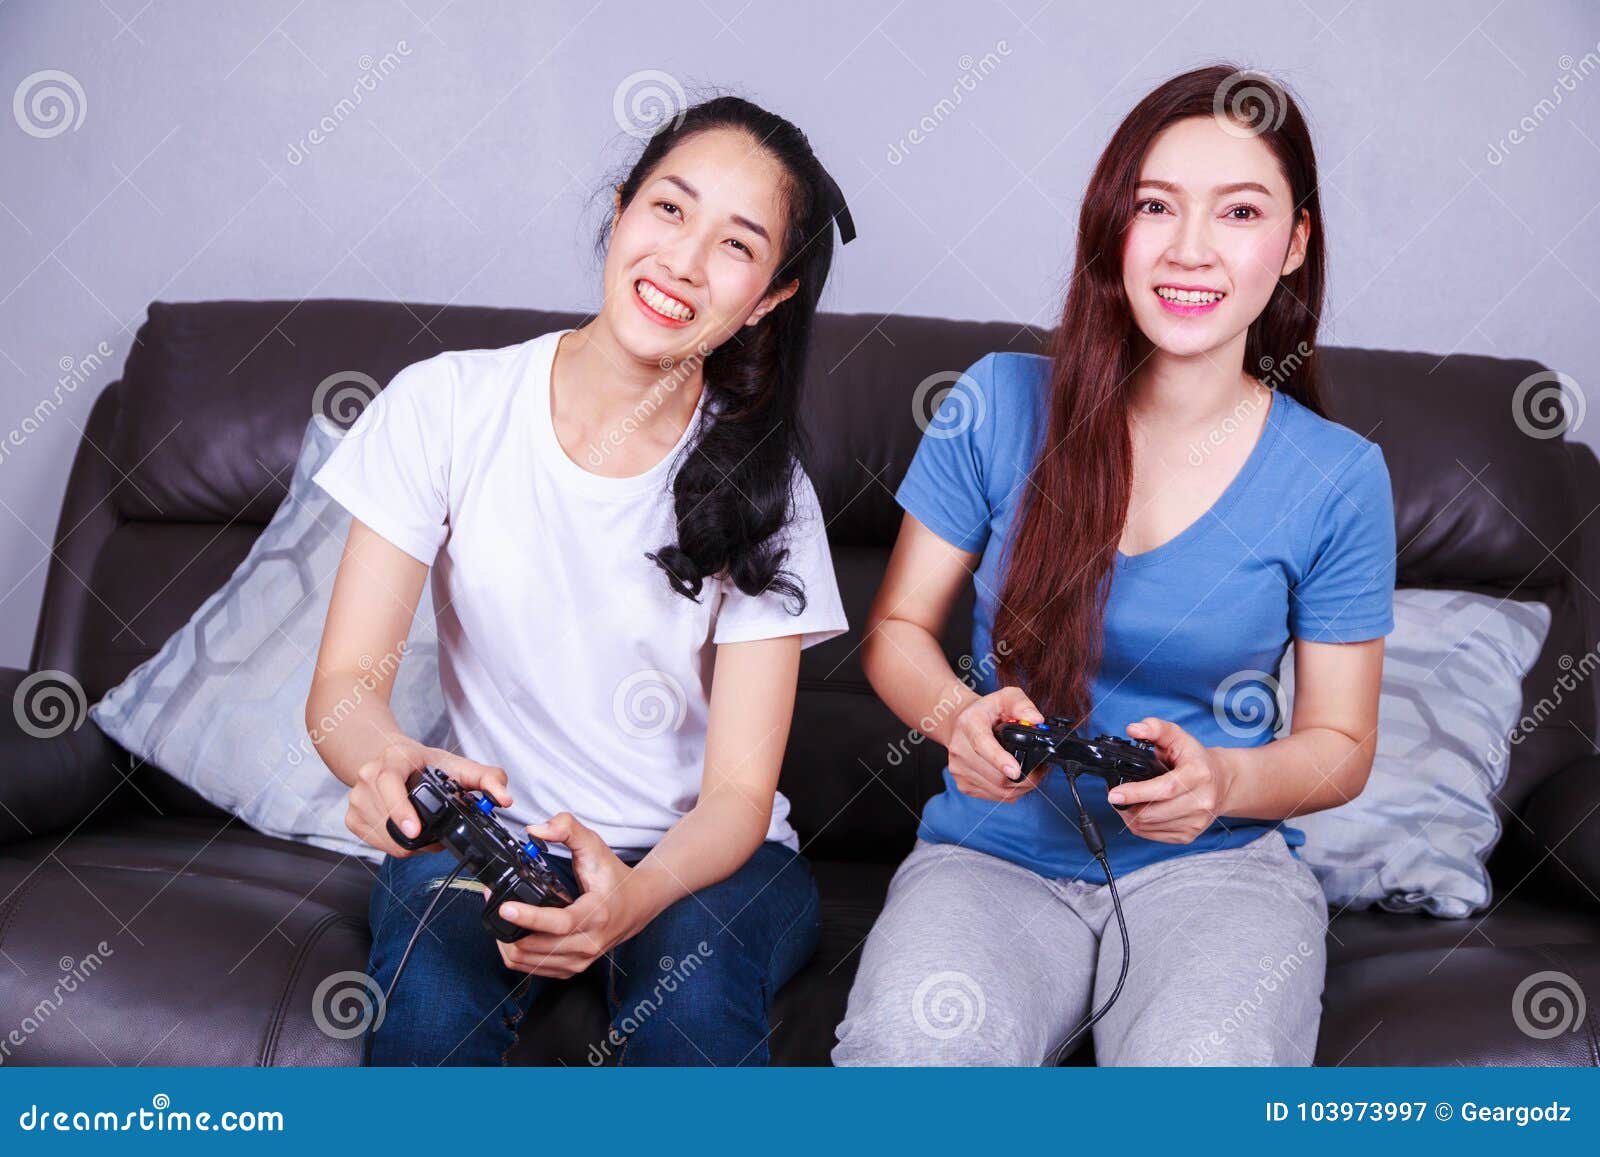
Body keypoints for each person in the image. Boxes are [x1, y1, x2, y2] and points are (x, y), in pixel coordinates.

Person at [833, 65, 1394, 1067]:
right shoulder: (996, 402)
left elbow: (1341, 744)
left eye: (1239, 211)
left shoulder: (1339, 476)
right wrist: (956, 717)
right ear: (1111, 227)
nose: (1190, 249)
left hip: (1216, 866)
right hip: (992, 858)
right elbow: (897, 631)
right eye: (1155, 206)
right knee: (911, 1056)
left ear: (1294, 242)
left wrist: (1224, 779)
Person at [305, 95, 853, 1066]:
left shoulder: (772, 490)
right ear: (620, 208)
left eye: (736, 245)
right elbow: (345, 685)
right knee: (432, 994)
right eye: (669, 208)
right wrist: (387, 761)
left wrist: (632, 898)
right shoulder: (446, 405)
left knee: (693, 988)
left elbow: (736, 794)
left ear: (771, 295)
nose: (683, 261)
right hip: (497, 836)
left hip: (706, 859)